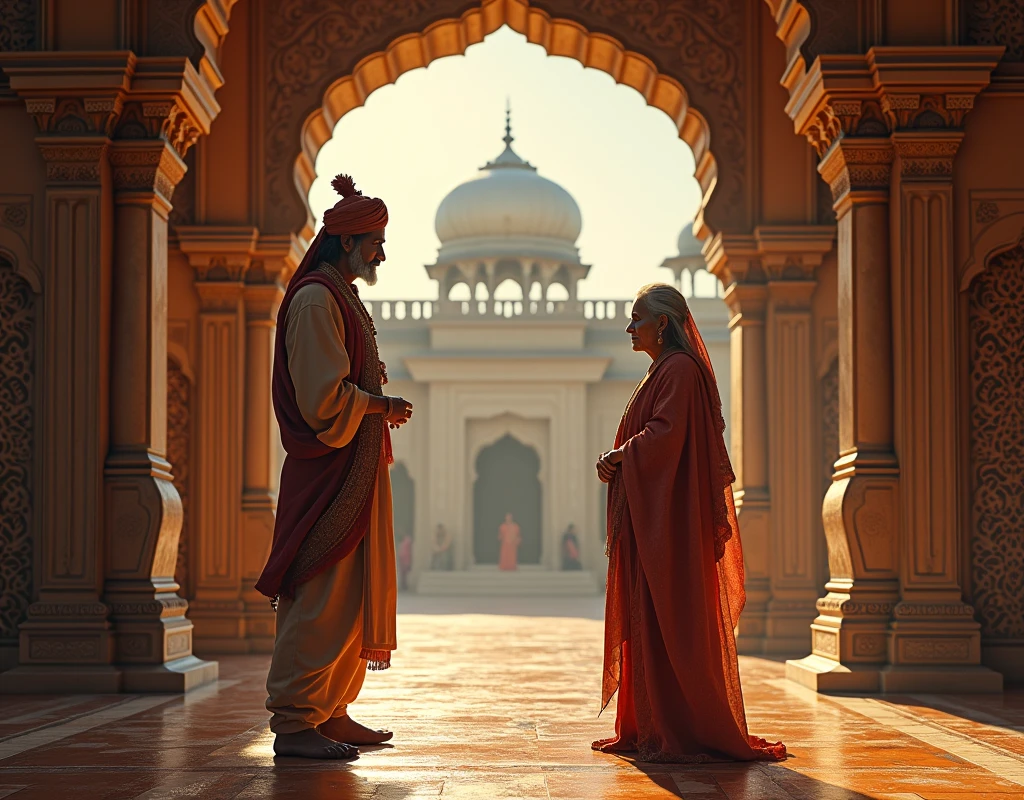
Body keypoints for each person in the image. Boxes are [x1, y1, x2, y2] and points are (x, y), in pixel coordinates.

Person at [255, 174, 414, 760]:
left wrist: (372, 409)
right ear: (346, 242)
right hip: (329, 467)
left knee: (350, 593)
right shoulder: (317, 298)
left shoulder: (339, 294)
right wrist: (380, 405)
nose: (381, 253)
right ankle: (296, 721)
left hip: (354, 463)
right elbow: (323, 400)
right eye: (375, 241)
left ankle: (332, 709)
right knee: (321, 593)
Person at [593, 283, 786, 764]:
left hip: (671, 524)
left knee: (671, 623)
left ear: (663, 324)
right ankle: (656, 723)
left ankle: (683, 725)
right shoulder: (662, 370)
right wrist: (621, 459)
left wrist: (622, 455)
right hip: (656, 518)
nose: (628, 327)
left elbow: (666, 435)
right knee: (653, 622)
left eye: (637, 318)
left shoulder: (678, 369)